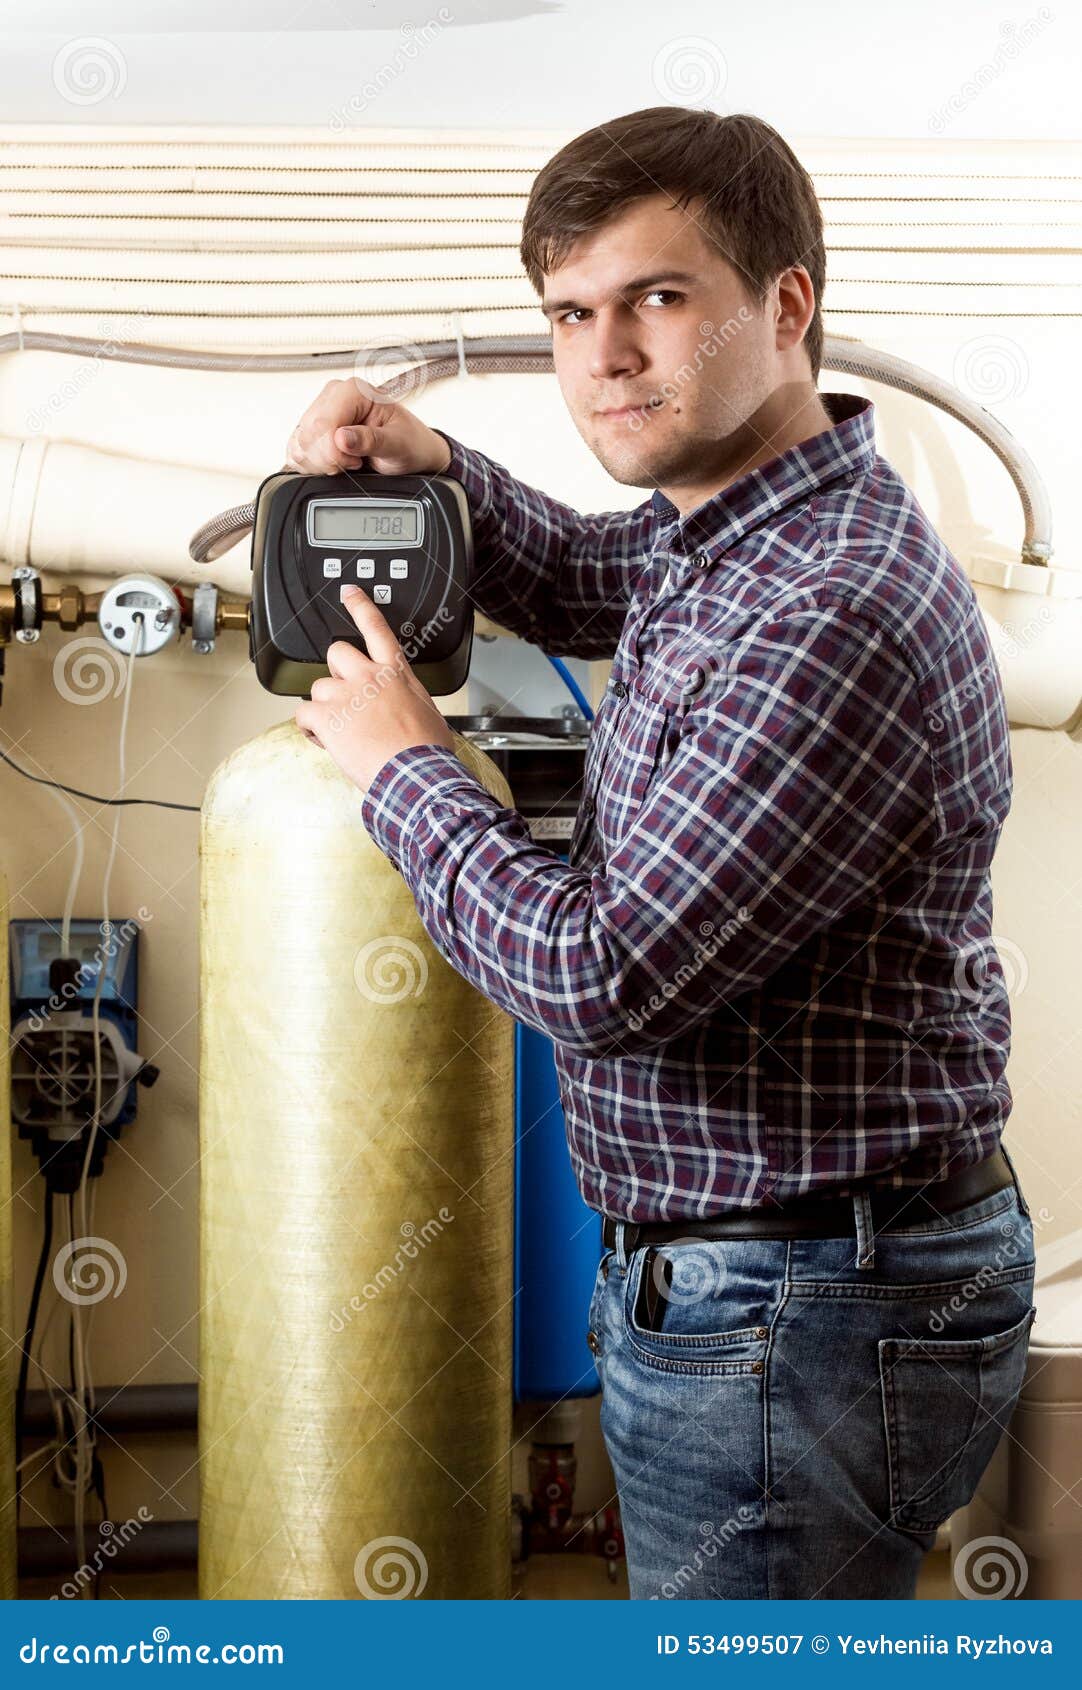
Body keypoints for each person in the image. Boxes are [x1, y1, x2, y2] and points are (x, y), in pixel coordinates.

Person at [287, 106, 1036, 1600]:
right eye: (570, 313)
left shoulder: (827, 609)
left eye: (657, 299)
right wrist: (436, 468)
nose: (604, 355)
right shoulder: (746, 526)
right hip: (779, 1277)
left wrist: (408, 768)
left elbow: (603, 969)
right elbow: (580, 573)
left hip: (796, 1300)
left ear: (786, 304)